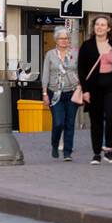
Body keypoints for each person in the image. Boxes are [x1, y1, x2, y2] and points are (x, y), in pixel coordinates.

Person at [77, 15, 112, 165]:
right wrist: (85, 90)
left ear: (108, 28)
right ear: (94, 28)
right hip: (93, 88)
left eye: (103, 25)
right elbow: (81, 70)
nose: (99, 27)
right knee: (96, 121)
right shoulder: (86, 46)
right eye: (97, 24)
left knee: (111, 117)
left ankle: (109, 149)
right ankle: (96, 153)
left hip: (111, 87)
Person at [41, 27, 80, 161]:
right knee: (58, 122)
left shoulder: (75, 53)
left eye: (66, 38)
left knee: (70, 123)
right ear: (56, 40)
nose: (64, 41)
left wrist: (82, 86)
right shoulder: (50, 54)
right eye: (61, 38)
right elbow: (45, 74)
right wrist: (45, 93)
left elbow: (81, 71)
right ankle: (55, 143)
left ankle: (67, 152)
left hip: (72, 92)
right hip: (55, 93)